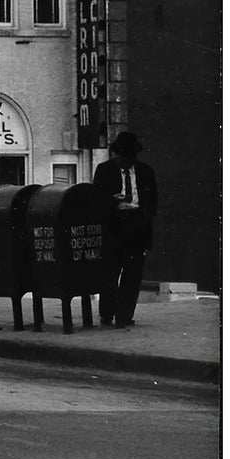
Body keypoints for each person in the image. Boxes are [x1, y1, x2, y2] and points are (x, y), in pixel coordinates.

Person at [93, 130, 156, 328]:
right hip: (114, 225)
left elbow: (153, 202)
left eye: (127, 157)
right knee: (110, 273)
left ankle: (124, 316)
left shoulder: (145, 172)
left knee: (133, 274)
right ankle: (107, 314)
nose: (123, 161)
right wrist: (111, 200)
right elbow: (95, 200)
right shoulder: (104, 170)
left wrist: (145, 225)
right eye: (120, 156)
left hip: (136, 225)